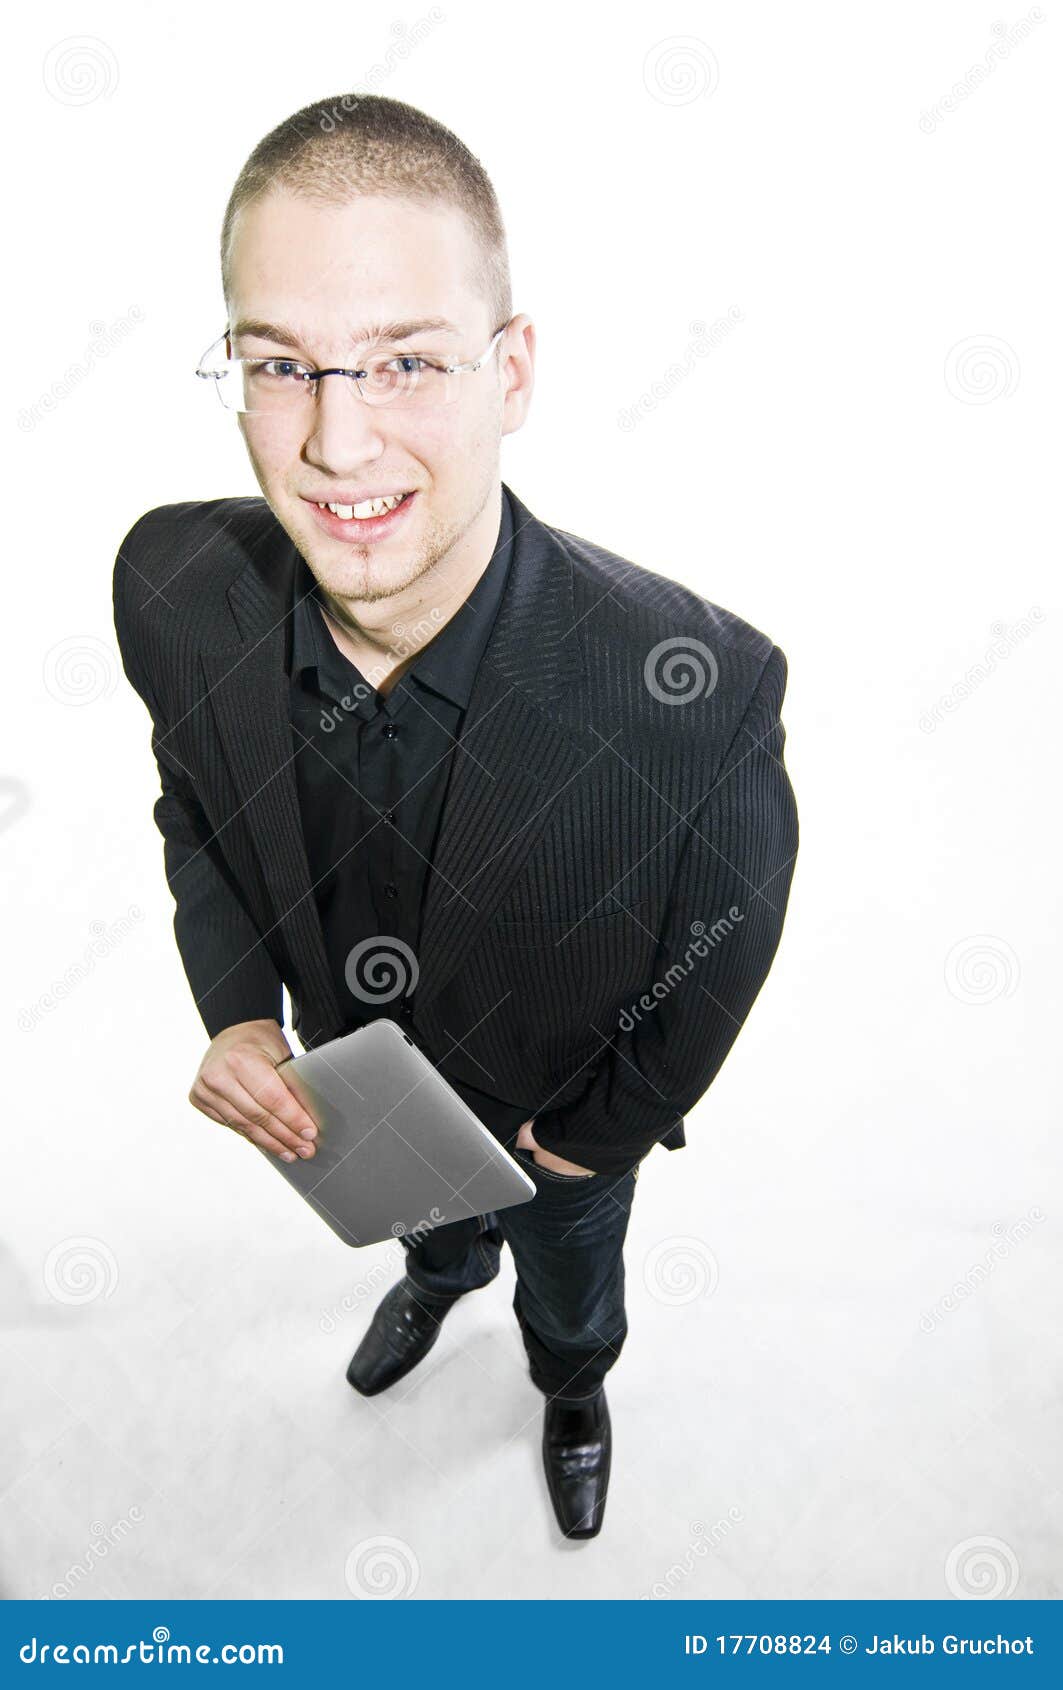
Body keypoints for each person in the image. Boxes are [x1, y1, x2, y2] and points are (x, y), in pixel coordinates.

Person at [112, 92, 799, 1541]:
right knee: (432, 1236)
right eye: (280, 365)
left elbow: (723, 950)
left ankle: (569, 1381)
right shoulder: (172, 586)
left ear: (514, 370)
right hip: (367, 1117)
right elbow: (197, 811)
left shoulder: (698, 687)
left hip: (556, 1131)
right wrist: (240, 1013)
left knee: (569, 1282)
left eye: (407, 360)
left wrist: (582, 1145)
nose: (337, 444)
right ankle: (434, 1277)